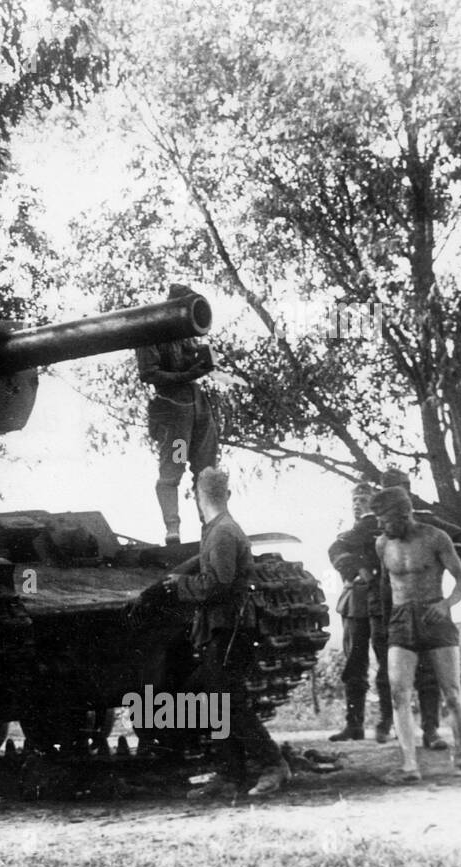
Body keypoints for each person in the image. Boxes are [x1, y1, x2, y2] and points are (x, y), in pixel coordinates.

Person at [167, 467, 288, 798]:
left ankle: (272, 763)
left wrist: (181, 584)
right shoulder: (219, 528)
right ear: (227, 495)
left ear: (198, 496)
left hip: (229, 627)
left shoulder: (221, 532)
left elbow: (218, 584)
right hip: (223, 627)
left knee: (227, 701)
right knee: (214, 699)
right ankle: (230, 774)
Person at [372, 487, 461, 781]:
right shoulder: (382, 544)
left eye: (385, 519)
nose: (381, 526)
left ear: (404, 514)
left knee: (452, 693)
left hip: (434, 615)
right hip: (401, 619)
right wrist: (385, 623)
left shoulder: (435, 538)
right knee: (399, 693)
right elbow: (387, 587)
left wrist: (446, 604)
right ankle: (409, 765)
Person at [135, 284, 219, 544]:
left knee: (206, 471)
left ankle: (211, 528)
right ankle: (173, 529)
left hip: (197, 408)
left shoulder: (185, 335)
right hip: (175, 410)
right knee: (173, 469)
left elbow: (191, 360)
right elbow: (149, 373)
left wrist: (202, 360)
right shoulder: (151, 334)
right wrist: (187, 374)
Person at [327, 482, 386, 741]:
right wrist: (354, 571)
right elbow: (337, 551)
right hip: (354, 604)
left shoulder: (381, 527)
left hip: (382, 602)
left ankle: (387, 721)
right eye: (354, 500)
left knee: (387, 662)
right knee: (354, 664)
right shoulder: (349, 534)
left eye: (363, 498)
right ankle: (354, 723)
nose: (357, 504)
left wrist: (363, 570)